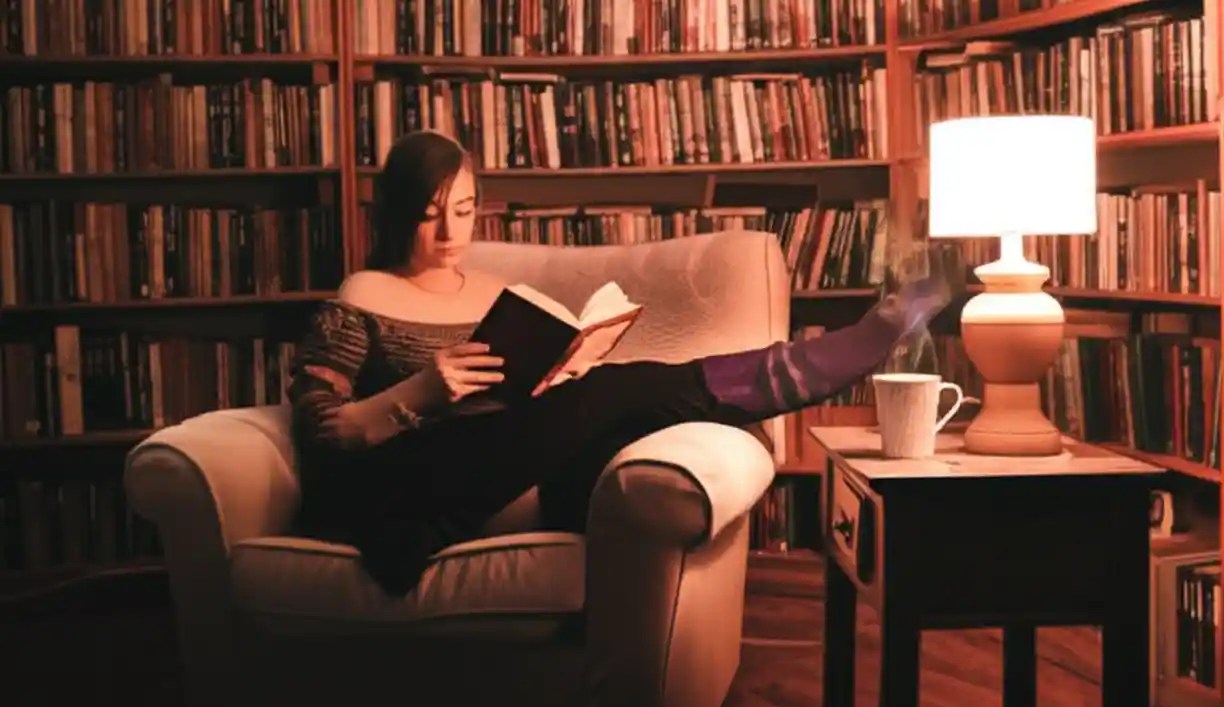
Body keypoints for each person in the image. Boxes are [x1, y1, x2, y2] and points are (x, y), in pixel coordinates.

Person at [287, 130, 954, 595]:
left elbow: (516, 400)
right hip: (415, 469)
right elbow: (323, 433)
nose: (450, 233)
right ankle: (814, 364)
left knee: (612, 410)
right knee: (619, 389)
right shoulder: (361, 296)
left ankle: (810, 364)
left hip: (511, 459)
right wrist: (421, 392)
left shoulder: (492, 293)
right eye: (430, 216)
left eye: (463, 211)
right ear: (400, 216)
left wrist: (559, 373)